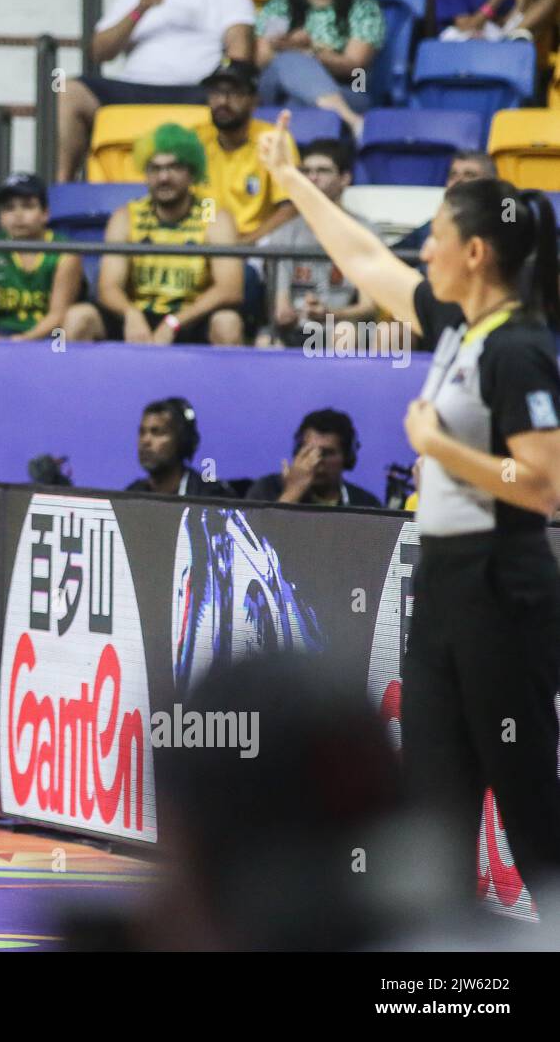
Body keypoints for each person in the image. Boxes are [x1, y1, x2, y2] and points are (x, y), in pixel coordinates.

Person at [259, 108, 560, 923]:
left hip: (504, 579)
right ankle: (440, 981)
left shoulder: (521, 347)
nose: (420, 249)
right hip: (446, 582)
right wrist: (289, 181)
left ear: (475, 251)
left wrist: (438, 445)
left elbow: (540, 483)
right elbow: (361, 258)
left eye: (433, 236)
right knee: (433, 799)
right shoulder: (459, 324)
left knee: (529, 798)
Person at [63, 124, 244, 345]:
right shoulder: (126, 216)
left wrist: (174, 322)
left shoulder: (213, 215)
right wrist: (130, 314)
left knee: (228, 323)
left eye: (174, 168)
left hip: (191, 318)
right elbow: (108, 287)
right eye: (155, 169)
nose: (164, 178)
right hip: (137, 315)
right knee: (77, 318)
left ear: (192, 173)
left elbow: (230, 289)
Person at [56, 0, 255, 183]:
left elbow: (240, 52)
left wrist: (224, 83)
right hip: (134, 88)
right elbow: (98, 52)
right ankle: (61, 189)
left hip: (197, 91)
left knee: (231, 95)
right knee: (69, 90)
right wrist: (140, 8)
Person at [257, 138, 379, 349]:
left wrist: (329, 314)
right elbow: (280, 307)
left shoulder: (364, 232)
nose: (312, 177)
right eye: (306, 171)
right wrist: (288, 314)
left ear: (345, 178)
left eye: (323, 171)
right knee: (266, 341)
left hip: (343, 324)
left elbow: (369, 307)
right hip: (298, 327)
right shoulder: (285, 234)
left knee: (345, 333)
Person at [0, 173, 83, 341]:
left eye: (28, 206)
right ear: (1, 217)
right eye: (9, 208)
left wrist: (24, 339)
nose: (18, 214)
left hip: (48, 335)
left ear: (45, 213)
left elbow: (58, 315)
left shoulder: (66, 253)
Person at [197, 59, 300, 245]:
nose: (222, 101)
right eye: (216, 92)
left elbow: (289, 208)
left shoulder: (274, 139)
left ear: (253, 101)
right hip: (203, 241)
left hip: (256, 243)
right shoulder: (195, 140)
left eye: (234, 93)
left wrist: (244, 245)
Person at [254, 0, 386, 137]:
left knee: (296, 105)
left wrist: (311, 50)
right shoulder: (281, 5)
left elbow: (355, 68)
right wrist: (293, 50)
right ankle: (352, 120)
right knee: (289, 59)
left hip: (351, 89)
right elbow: (262, 60)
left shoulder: (363, 7)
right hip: (278, 90)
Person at [245, 407, 383, 506]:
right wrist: (293, 491)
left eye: (326, 453)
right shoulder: (267, 490)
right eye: (309, 451)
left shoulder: (366, 504)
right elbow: (257, 542)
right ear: (297, 452)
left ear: (347, 457)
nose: (316, 461)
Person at [395, 151, 498, 258]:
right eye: (453, 175)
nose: (458, 181)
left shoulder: (503, 228)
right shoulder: (430, 228)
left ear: (492, 185)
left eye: (469, 175)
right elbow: (393, 255)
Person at [127, 397, 236, 496]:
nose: (145, 441)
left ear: (182, 440)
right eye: (142, 432)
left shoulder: (211, 496)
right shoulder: (130, 497)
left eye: (157, 432)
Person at [435, 0, 559, 42]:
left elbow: (503, 22)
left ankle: (515, 37)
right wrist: (496, 0)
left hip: (496, 35)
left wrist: (522, 1)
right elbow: (467, 26)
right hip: (461, 43)